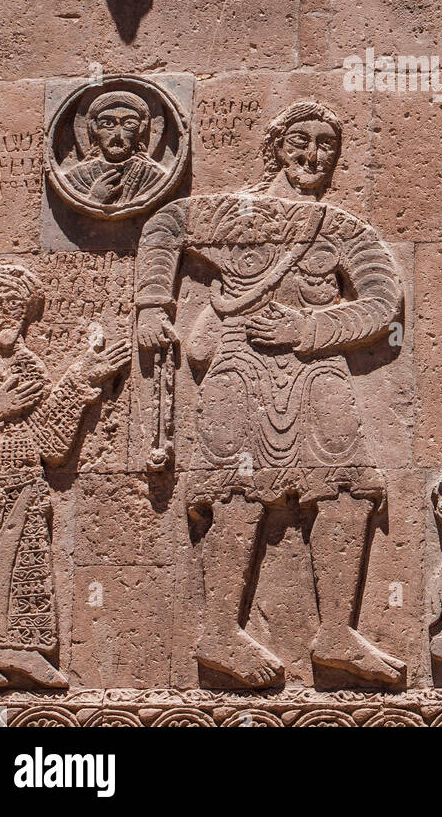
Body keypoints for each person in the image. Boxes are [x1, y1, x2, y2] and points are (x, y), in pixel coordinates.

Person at [136, 99, 405, 688]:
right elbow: (163, 226)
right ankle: (217, 634)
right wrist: (153, 306)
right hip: (240, 365)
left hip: (317, 367)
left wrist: (307, 329)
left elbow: (385, 304)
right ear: (277, 147)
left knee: (348, 487)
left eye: (327, 145)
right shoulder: (234, 214)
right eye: (300, 141)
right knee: (236, 489)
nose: (313, 155)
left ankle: (336, 632)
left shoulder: (342, 229)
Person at [0, 264, 129, 688]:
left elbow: (51, 445)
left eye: (14, 306)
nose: (5, 315)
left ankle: (16, 648)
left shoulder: (32, 368)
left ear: (26, 314)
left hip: (23, 483)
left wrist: (78, 380)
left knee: (25, 571)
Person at [64, 91, 166, 210]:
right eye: (108, 123)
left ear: (141, 129)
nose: (117, 135)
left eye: (129, 124)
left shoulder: (153, 176)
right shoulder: (77, 177)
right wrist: (95, 198)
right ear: (94, 128)